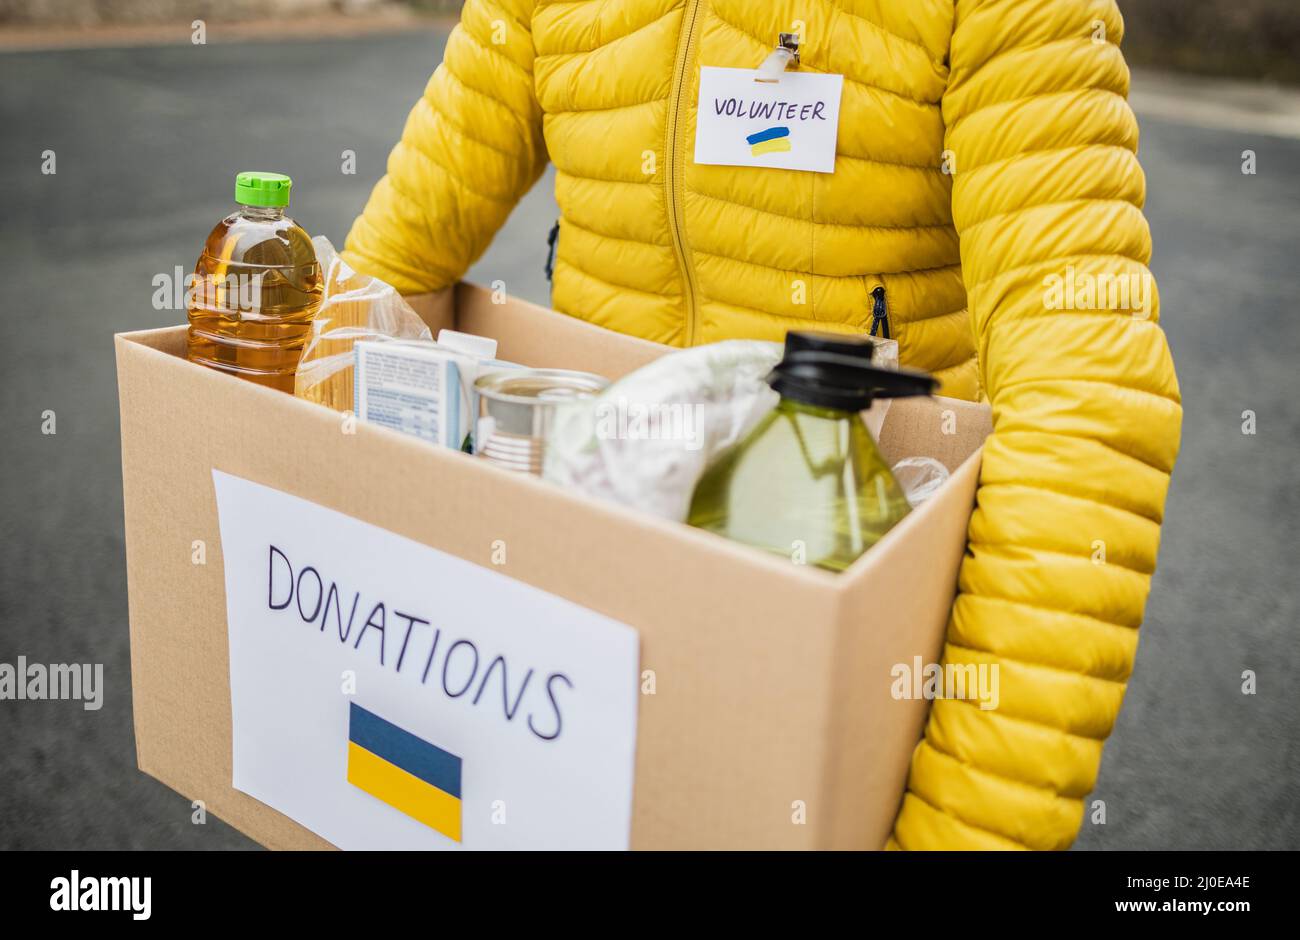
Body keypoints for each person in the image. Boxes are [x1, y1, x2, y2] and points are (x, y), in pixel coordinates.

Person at [342, 0, 1182, 850]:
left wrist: (965, 832)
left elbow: (1087, 413)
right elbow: (389, 273)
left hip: (841, 584)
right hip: (592, 578)